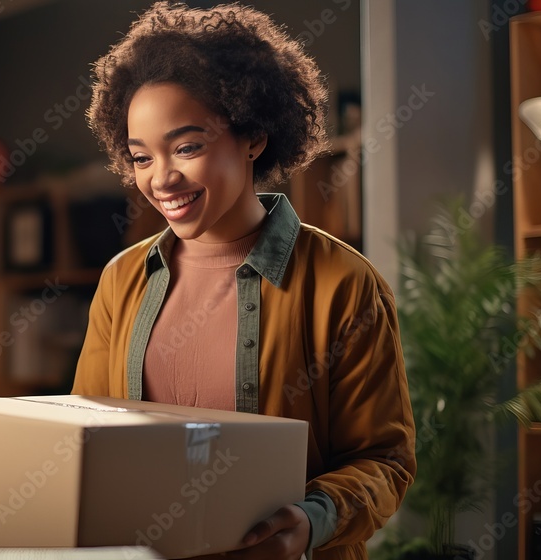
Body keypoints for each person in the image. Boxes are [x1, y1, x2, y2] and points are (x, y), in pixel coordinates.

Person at [71, 3, 416, 559]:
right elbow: (82, 435)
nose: (162, 179)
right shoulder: (121, 280)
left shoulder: (344, 282)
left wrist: (311, 521)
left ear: (253, 135)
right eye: (141, 157)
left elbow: (385, 461)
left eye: (187, 147)